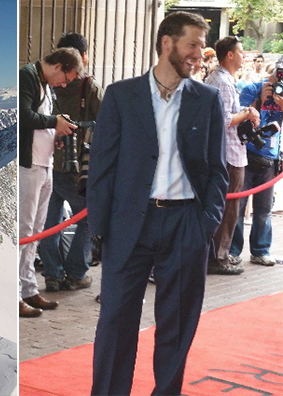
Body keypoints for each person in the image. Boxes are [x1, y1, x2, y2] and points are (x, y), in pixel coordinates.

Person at [87, 11, 229, 395]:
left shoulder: (208, 99)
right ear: (167, 43)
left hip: (186, 224)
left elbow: (218, 170)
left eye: (202, 45)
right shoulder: (121, 95)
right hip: (129, 225)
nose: (200, 54)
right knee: (115, 322)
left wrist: (206, 225)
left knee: (177, 324)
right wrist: (100, 231)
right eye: (193, 44)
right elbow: (102, 167)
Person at [19, 47, 83, 317]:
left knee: (37, 229)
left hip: (45, 164)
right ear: (58, 65)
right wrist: (53, 122)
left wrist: (55, 131)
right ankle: (16, 293)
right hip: (29, 165)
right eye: (66, 78)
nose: (65, 84)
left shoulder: (46, 85)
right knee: (24, 230)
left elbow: (41, 121)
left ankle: (28, 288)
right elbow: (23, 115)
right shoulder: (27, 76)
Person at [39, 33, 103, 292]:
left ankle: (53, 274)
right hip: (76, 168)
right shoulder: (89, 86)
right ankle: (76, 272)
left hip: (45, 161)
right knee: (89, 216)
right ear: (83, 56)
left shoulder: (46, 85)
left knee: (47, 222)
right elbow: (108, 124)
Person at [204, 36, 261, 275]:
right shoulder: (222, 81)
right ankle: (218, 257)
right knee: (228, 208)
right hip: (228, 154)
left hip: (229, 152)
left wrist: (246, 112)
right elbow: (225, 119)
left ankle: (222, 253)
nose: (244, 56)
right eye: (240, 51)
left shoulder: (222, 79)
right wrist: (247, 114)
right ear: (229, 55)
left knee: (230, 207)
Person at [230, 59, 283, 266]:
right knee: (238, 205)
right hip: (246, 154)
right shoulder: (253, 88)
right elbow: (240, 119)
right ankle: (233, 251)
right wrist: (260, 101)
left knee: (263, 209)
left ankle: (261, 250)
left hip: (270, 158)